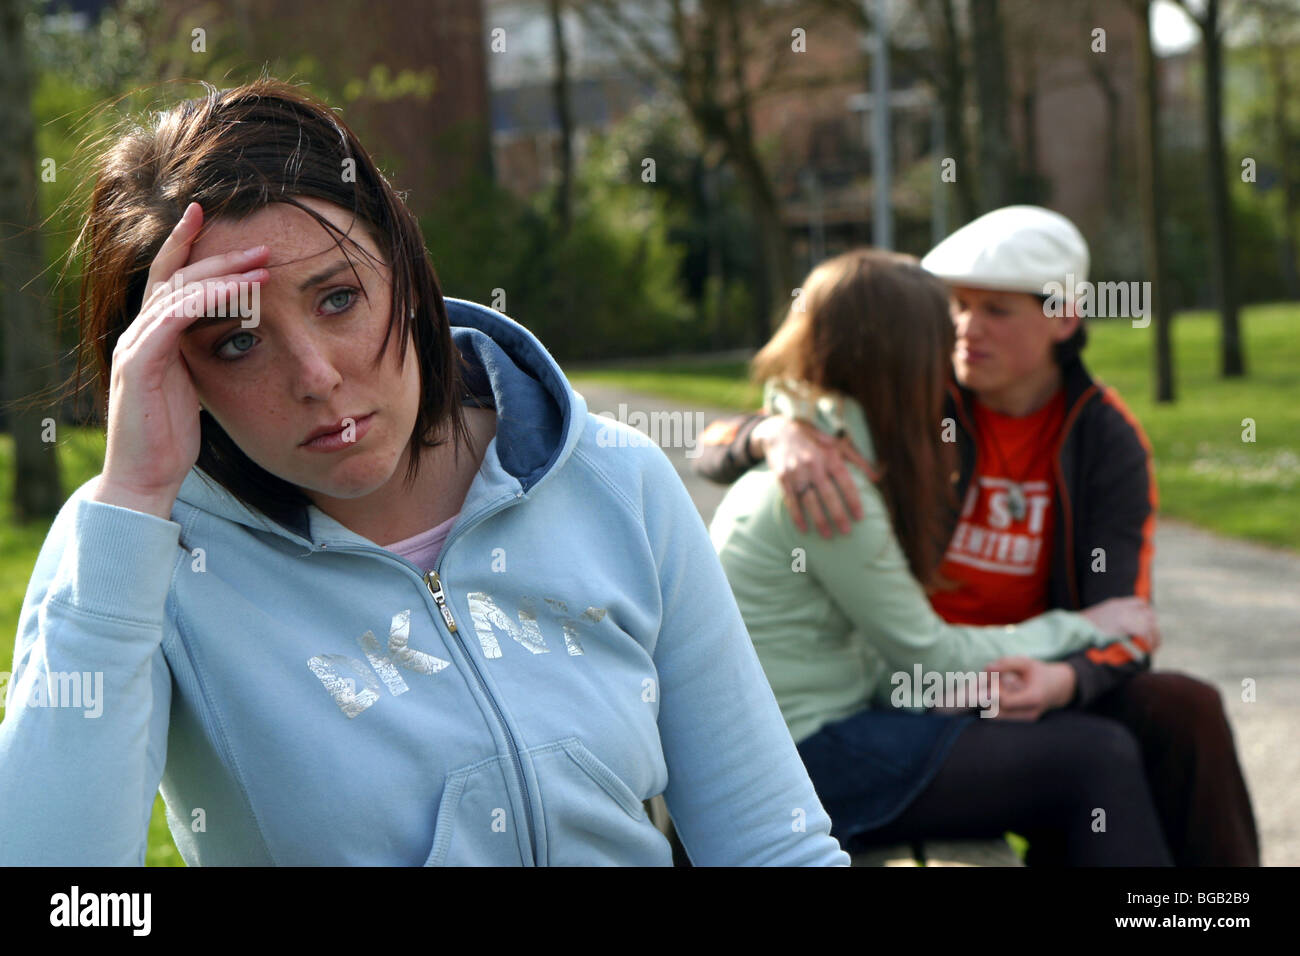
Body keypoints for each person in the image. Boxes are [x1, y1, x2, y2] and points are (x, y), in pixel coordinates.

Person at [0, 78, 850, 867]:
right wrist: (133, 505)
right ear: (169, 371)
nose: (316, 375)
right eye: (237, 341)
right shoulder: (137, 552)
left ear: (405, 268)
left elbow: (772, 844)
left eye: (339, 298)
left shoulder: (615, 480)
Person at [697, 207, 1260, 866]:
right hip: (918, 684)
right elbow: (731, 437)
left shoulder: (1106, 441)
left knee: (1186, 711)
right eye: (957, 308)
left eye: (995, 310)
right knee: (1089, 763)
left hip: (1020, 670)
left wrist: (1062, 680)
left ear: (1064, 318)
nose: (966, 329)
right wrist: (769, 433)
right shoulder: (917, 407)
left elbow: (1128, 621)